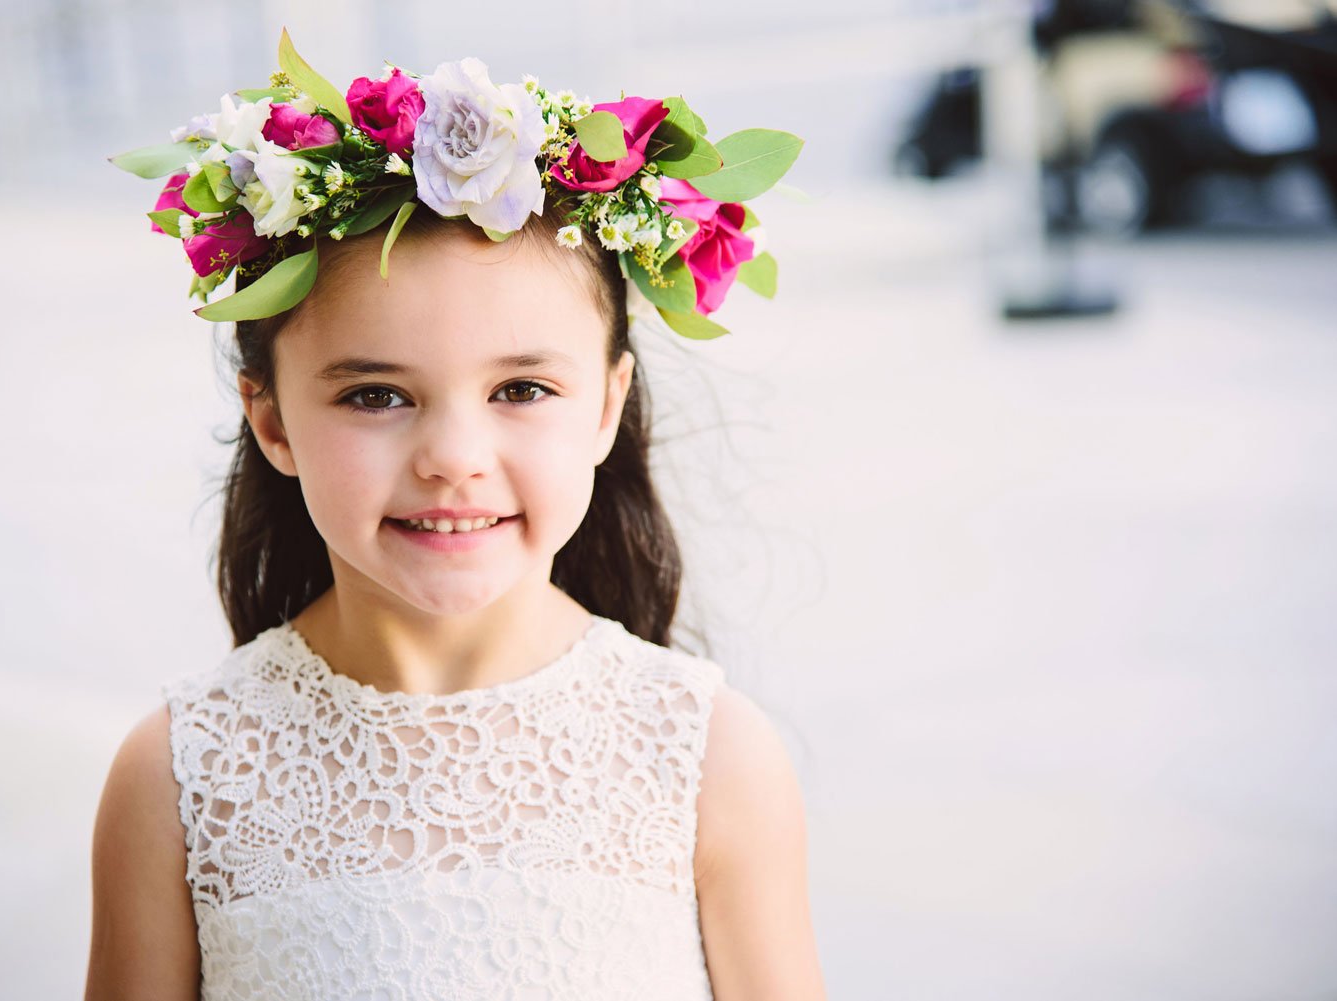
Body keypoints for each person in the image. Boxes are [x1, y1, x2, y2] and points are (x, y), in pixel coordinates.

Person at [87, 38, 823, 1001]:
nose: (454, 457)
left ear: (605, 406)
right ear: (271, 419)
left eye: (521, 387)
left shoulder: (708, 757)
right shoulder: (180, 778)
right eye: (377, 397)